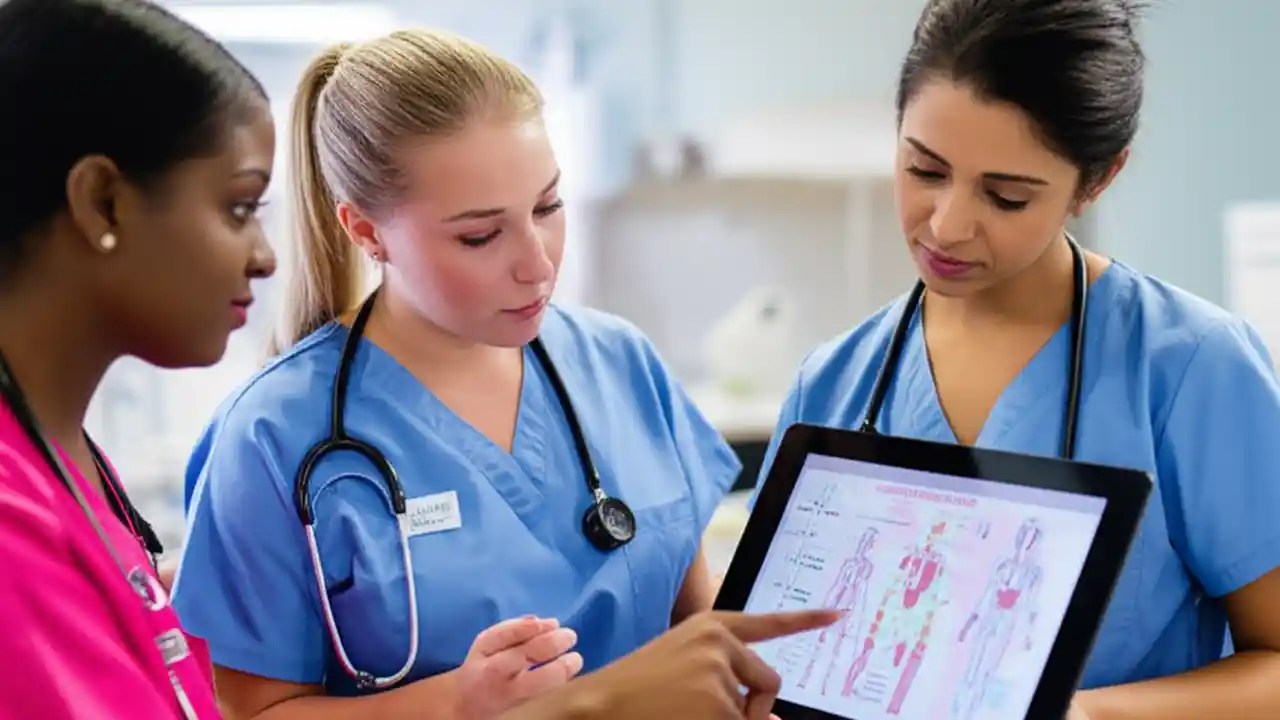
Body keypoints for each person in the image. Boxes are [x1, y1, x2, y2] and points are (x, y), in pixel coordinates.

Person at [169, 26, 743, 718]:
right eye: (480, 235)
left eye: (548, 206)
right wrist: (454, 703)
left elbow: (696, 625)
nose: (538, 262)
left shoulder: (620, 363)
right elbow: (252, 712)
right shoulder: (272, 436)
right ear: (366, 231)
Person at [752, 1, 1280, 718]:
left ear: (1096, 181)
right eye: (924, 169)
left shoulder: (1188, 368)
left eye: (1005, 197)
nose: (946, 225)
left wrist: (1082, 715)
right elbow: (768, 657)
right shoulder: (836, 381)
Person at [0, 0, 276, 716]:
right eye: (240, 208)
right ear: (104, 203)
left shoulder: (65, 459)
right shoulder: (11, 520)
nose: (265, 258)